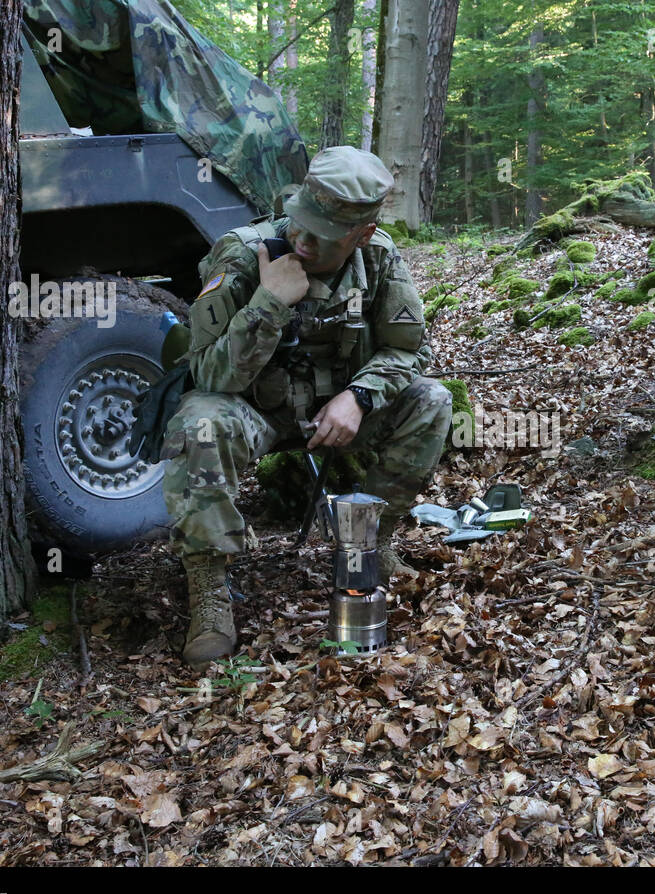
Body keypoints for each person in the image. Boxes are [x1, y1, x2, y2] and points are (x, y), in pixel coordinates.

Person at [161, 146, 452, 668]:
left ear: (360, 235)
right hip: (253, 414)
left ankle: (367, 546)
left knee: (431, 400)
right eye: (301, 221)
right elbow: (207, 375)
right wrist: (269, 302)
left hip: (336, 412)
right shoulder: (242, 255)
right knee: (200, 421)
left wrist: (360, 396)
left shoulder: (379, 258)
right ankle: (208, 592)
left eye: (323, 234)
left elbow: (409, 348)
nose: (303, 238)